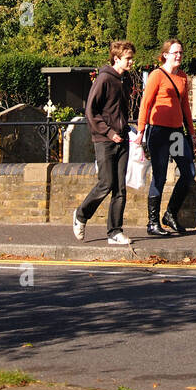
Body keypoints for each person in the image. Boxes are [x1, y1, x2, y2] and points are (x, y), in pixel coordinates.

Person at [73, 40, 136, 246]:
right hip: (104, 140)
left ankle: (115, 232)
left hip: (122, 138)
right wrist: (109, 133)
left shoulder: (125, 80)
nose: (131, 62)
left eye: (131, 58)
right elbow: (91, 111)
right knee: (106, 183)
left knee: (120, 189)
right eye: (128, 58)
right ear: (116, 58)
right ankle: (81, 215)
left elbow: (121, 111)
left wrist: (127, 129)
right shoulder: (104, 79)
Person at [136, 38, 196, 237]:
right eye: (174, 52)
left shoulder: (182, 77)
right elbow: (145, 103)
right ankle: (152, 222)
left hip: (176, 133)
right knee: (160, 175)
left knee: (188, 172)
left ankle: (170, 214)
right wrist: (140, 130)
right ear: (165, 55)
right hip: (158, 132)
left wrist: (192, 132)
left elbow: (185, 105)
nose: (178, 56)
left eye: (180, 52)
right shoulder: (157, 75)